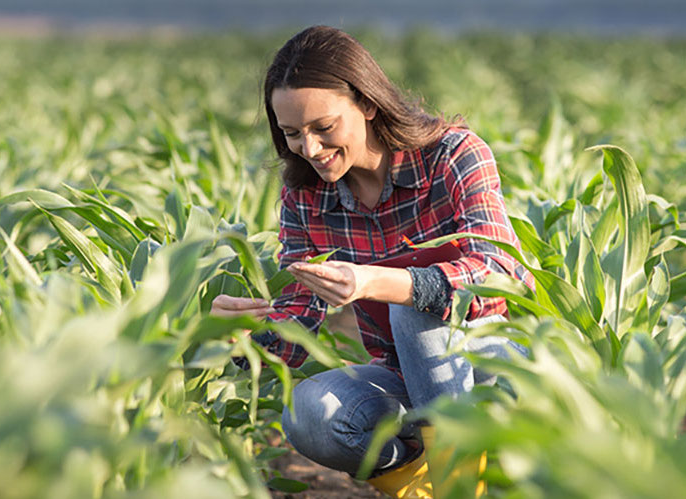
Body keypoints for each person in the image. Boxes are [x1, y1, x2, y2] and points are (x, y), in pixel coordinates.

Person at [211, 25, 533, 497]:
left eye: (323, 128)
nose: (311, 149)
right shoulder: (306, 199)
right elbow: (297, 331)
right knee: (310, 414)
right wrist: (234, 336)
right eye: (292, 134)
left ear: (367, 103)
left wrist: (376, 282)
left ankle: (461, 486)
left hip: (498, 363)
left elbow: (503, 273)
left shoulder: (453, 156)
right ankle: (426, 481)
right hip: (407, 379)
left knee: (412, 307)